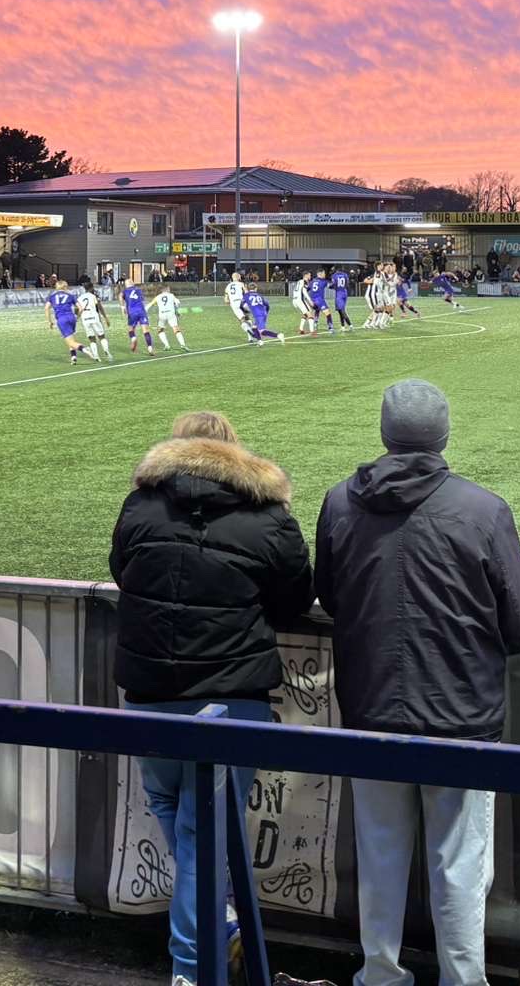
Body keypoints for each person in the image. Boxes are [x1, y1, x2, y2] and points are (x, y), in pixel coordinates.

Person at [314, 381, 520, 986]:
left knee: (381, 855)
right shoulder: (483, 509)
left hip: (372, 708)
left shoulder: (340, 503)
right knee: (460, 866)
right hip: (461, 715)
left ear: (385, 434)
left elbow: (329, 595)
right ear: (444, 436)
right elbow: (519, 616)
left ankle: (380, 975)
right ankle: (459, 980)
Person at [112, 411, 314, 986]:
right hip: (231, 697)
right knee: (200, 834)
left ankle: (215, 930)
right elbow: (295, 599)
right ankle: (192, 964)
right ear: (233, 454)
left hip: (149, 691)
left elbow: (123, 572)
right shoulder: (268, 516)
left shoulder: (140, 506)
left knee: (178, 814)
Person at [47, 280, 88, 365]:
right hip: (71, 317)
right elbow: (80, 308)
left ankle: (84, 349)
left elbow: (46, 308)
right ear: (65, 287)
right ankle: (73, 357)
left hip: (62, 319)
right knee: (71, 338)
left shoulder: (52, 296)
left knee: (70, 341)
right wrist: (77, 317)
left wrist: (50, 321)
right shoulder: (70, 295)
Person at [151, 286, 191, 352]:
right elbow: (178, 302)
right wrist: (177, 311)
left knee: (160, 330)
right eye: (169, 289)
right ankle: (183, 345)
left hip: (162, 315)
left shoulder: (158, 297)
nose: (169, 290)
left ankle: (167, 345)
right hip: (171, 314)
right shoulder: (171, 295)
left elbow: (150, 304)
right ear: (166, 290)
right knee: (176, 329)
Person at [121, 278, 155, 353]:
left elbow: (120, 295)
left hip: (132, 312)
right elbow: (142, 300)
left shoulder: (125, 291)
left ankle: (133, 338)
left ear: (126, 285)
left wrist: (122, 307)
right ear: (132, 283)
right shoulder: (139, 290)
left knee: (131, 329)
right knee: (145, 330)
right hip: (141, 311)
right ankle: (150, 348)